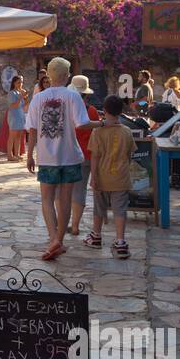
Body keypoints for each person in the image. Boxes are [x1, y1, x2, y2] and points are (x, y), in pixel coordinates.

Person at [26, 56, 92, 261]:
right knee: (65, 200)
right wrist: (103, 124)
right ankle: (59, 241)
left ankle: (53, 238)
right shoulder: (73, 97)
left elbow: (33, 129)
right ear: (65, 76)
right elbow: (82, 124)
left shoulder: (38, 98)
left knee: (46, 199)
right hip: (70, 156)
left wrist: (29, 155)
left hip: (46, 157)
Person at [85, 94, 135, 258]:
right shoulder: (127, 132)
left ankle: (96, 236)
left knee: (99, 208)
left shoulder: (97, 131)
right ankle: (120, 242)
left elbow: (95, 156)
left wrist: (94, 176)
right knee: (120, 210)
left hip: (102, 176)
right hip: (120, 177)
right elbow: (129, 155)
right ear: (121, 111)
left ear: (104, 110)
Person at [68, 74, 101, 235]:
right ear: (86, 94)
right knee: (80, 191)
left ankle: (65, 224)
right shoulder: (92, 111)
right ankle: (75, 225)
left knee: (67, 191)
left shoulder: (67, 109)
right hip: (87, 154)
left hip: (70, 155)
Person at [5, 74, 28, 162]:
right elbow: (13, 105)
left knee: (19, 136)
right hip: (14, 116)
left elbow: (25, 106)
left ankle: (17, 154)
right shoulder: (11, 93)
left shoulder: (19, 93)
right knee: (12, 136)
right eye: (18, 82)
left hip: (20, 115)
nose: (20, 84)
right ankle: (9, 155)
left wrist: (25, 98)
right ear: (14, 83)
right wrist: (20, 97)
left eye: (21, 82)